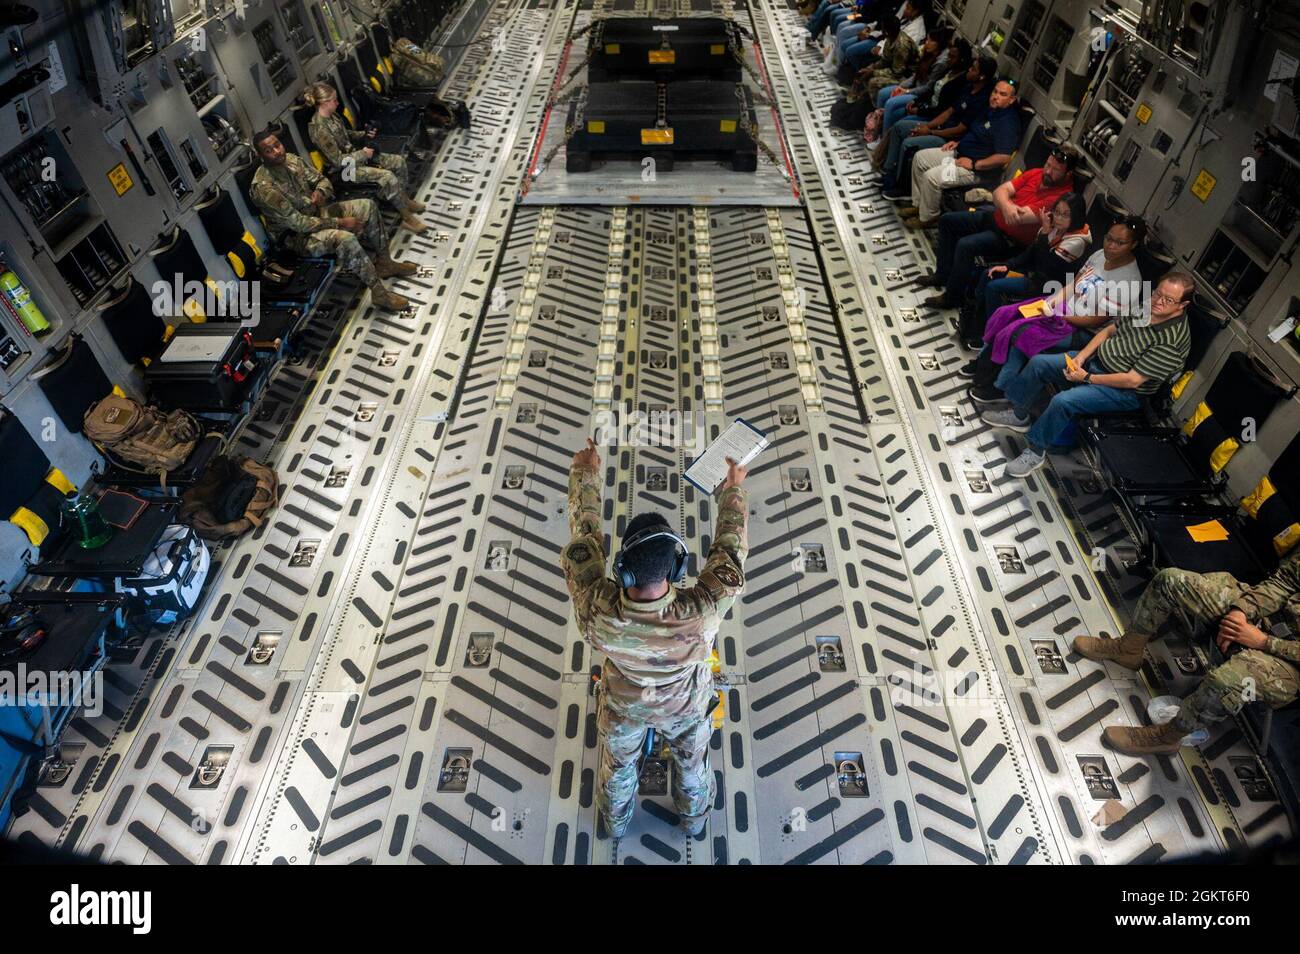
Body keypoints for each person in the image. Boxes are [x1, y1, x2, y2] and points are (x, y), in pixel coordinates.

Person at [562, 439, 749, 839]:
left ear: (623, 571)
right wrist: (731, 488)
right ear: (677, 566)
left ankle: (613, 825)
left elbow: (585, 540)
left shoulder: (597, 610)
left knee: (618, 768)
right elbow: (729, 552)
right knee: (693, 766)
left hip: (624, 709)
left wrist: (585, 475)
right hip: (684, 708)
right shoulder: (702, 613)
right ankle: (695, 821)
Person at [1074, 552, 1300, 756]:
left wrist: (1263, 642)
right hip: (1268, 617)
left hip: (1289, 662)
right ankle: (1128, 649)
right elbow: (1285, 581)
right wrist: (1241, 612)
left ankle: (1166, 738)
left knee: (1225, 681)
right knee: (1170, 580)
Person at [983, 271, 1195, 477]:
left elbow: (1132, 380)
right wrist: (1081, 358)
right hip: (1095, 362)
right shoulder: (1147, 308)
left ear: (1182, 305)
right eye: (1157, 293)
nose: (1158, 301)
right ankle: (1019, 415)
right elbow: (1109, 331)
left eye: (1168, 300)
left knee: (1063, 401)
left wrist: (1086, 378)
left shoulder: (1171, 340)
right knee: (1039, 364)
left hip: (1123, 391)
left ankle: (1035, 451)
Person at [965, 216, 1143, 398]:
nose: (1111, 246)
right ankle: (983, 365)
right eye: (1109, 238)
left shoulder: (1129, 281)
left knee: (1023, 333)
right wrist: (1052, 302)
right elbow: (1073, 285)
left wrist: (1059, 316)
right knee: (1008, 314)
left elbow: (1094, 320)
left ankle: (999, 386)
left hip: (1083, 330)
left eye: (1119, 243)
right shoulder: (1099, 255)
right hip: (1064, 308)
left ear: (1133, 244)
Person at [249, 128, 415, 312]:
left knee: (367, 206)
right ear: (261, 156)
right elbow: (299, 224)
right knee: (346, 239)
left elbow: (322, 180)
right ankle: (380, 294)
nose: (277, 151)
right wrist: (340, 223)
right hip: (295, 237)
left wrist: (320, 191)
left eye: (277, 145)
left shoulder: (292, 161)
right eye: (269, 150)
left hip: (316, 214)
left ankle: (385, 263)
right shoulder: (264, 187)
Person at [918, 145, 1078, 308]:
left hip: (1010, 239)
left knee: (966, 245)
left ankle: (952, 297)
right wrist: (1008, 206)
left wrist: (1004, 201)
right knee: (947, 221)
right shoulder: (1036, 173)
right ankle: (943, 275)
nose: (1048, 172)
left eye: (1056, 170)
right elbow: (999, 191)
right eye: (1048, 165)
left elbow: (1018, 218)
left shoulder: (1060, 198)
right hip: (994, 218)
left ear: (1068, 174)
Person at [303, 82, 427, 234]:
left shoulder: (332, 116)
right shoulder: (319, 129)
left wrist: (364, 134)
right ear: (323, 103)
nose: (337, 102)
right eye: (333, 100)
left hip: (355, 158)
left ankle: (404, 200)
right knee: (387, 176)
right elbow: (337, 161)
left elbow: (347, 136)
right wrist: (363, 154)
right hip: (344, 171)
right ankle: (407, 218)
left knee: (398, 162)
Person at [880, 56, 995, 198]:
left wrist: (931, 131)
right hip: (939, 128)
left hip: (948, 138)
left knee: (909, 144)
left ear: (982, 76)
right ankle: (888, 174)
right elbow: (949, 111)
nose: (969, 70)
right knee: (899, 127)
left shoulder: (982, 100)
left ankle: (903, 188)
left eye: (973, 69)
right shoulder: (968, 88)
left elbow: (960, 129)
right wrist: (926, 126)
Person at [830, 14, 915, 131]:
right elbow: (885, 60)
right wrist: (871, 68)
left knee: (873, 82)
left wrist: (873, 72)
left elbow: (897, 72)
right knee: (862, 73)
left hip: (906, 76)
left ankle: (874, 113)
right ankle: (859, 105)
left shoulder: (902, 46)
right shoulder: (891, 38)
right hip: (894, 70)